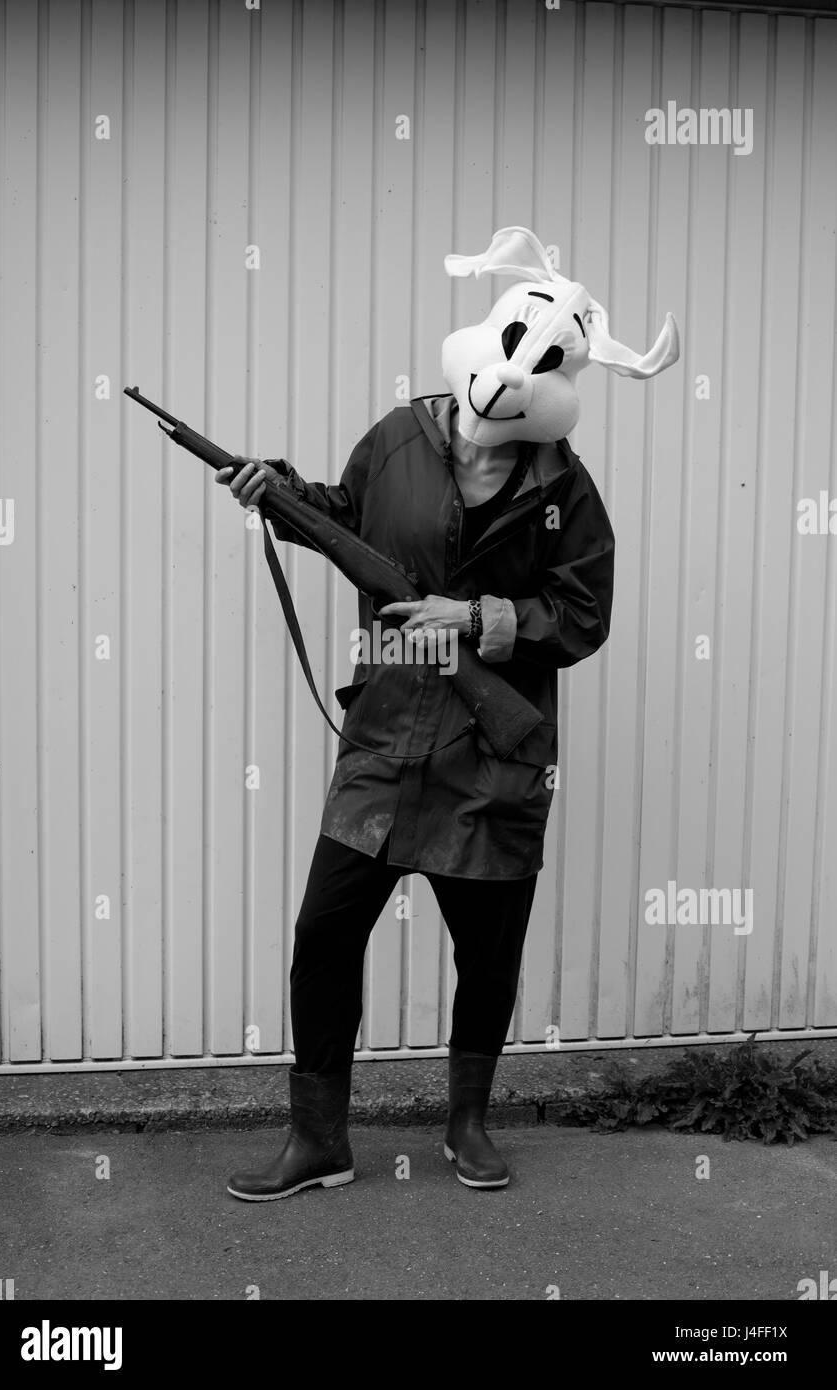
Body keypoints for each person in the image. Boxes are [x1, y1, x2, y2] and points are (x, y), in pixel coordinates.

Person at [217, 227, 677, 1201]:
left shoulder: (566, 493)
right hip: (387, 731)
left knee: (488, 950)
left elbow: (582, 617)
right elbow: (342, 512)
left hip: (491, 752)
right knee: (323, 936)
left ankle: (466, 1125)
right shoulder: (397, 439)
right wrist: (278, 492)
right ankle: (319, 1140)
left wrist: (472, 617)